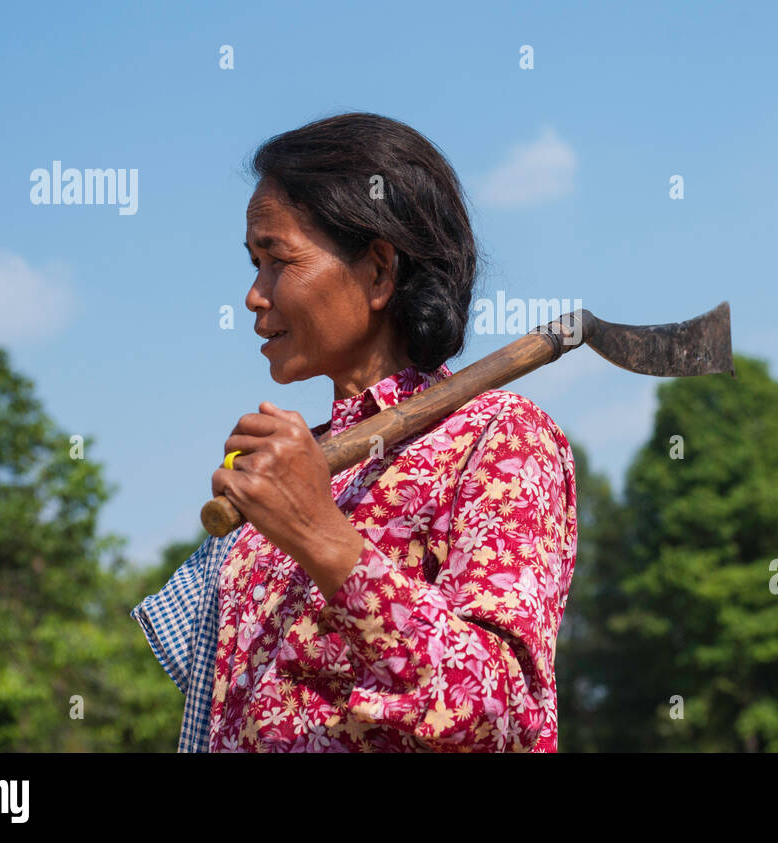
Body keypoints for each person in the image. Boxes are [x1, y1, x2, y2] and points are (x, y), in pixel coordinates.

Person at [133, 112, 578, 752]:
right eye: (253, 263)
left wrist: (320, 534)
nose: (255, 295)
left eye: (277, 260)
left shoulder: (498, 439)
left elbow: (498, 715)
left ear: (376, 271)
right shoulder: (296, 471)